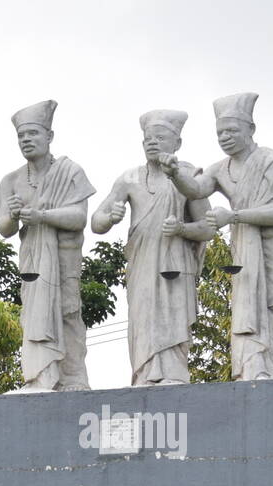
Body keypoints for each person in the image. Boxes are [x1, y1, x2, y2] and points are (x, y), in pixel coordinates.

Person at [161, 92, 273, 380]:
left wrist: (234, 216)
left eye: (232, 131)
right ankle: (253, 366)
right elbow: (196, 189)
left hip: (272, 246)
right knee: (247, 300)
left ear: (250, 129)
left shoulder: (270, 161)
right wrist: (175, 173)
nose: (225, 137)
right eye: (220, 133)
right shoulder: (220, 168)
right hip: (244, 247)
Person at [91, 109, 213, 386]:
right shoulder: (129, 179)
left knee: (172, 313)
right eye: (148, 138)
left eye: (160, 137)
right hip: (142, 262)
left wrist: (182, 229)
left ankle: (173, 374)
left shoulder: (187, 176)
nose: (152, 142)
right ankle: (143, 374)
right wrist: (110, 218)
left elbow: (208, 227)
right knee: (142, 315)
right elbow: (96, 222)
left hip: (175, 263)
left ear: (177, 143)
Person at [0, 100, 94, 391]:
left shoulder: (70, 171)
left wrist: (42, 216)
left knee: (67, 312)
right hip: (33, 260)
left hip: (64, 255)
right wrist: (13, 216)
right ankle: (39, 376)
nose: (26, 140)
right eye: (21, 136)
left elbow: (79, 218)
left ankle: (74, 377)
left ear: (49, 136)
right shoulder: (11, 180)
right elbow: (4, 229)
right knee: (34, 315)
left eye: (32, 134)